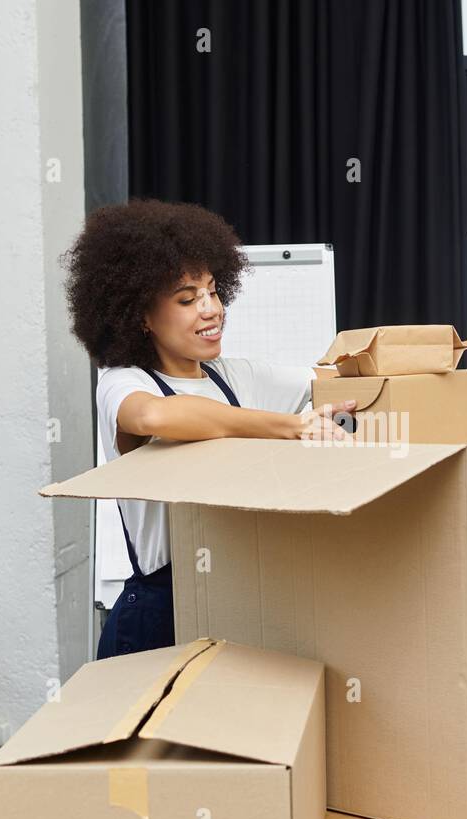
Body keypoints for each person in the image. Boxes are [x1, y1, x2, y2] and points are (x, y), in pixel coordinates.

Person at [64, 198, 353, 659]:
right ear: (140, 315)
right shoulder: (126, 383)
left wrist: (389, 376)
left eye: (214, 292)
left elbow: (342, 380)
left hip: (234, 602)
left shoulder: (236, 377)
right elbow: (156, 417)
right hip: (158, 617)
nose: (211, 309)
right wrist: (288, 426)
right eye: (187, 299)